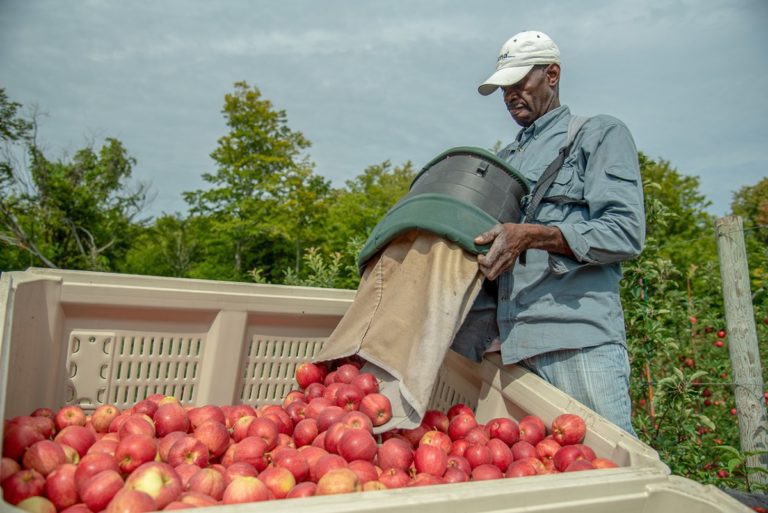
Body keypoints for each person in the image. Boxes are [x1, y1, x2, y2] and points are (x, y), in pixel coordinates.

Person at [473, 30, 645, 435]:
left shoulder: (595, 134)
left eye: (519, 82)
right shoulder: (504, 158)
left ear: (552, 74)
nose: (510, 94)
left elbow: (624, 231)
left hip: (575, 341)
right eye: (504, 87)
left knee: (611, 468)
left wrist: (533, 235)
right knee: (544, 477)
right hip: (510, 350)